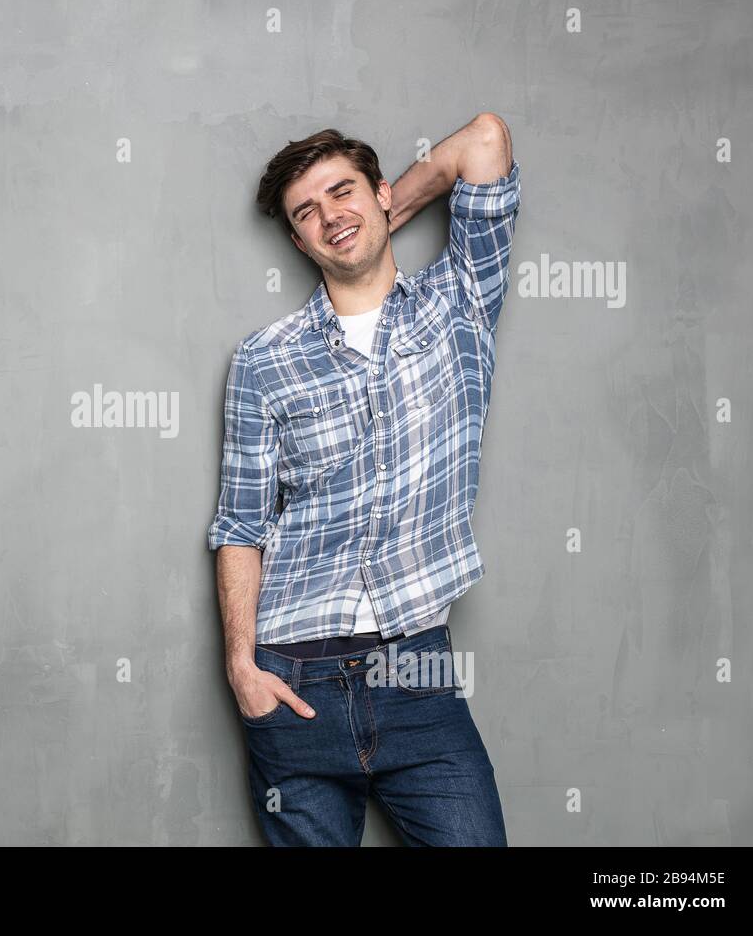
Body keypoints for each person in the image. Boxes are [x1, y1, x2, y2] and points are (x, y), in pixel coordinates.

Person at [207, 114, 520, 846]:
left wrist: (376, 216)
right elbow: (240, 527)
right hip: (292, 682)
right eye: (306, 213)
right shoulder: (263, 360)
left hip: (415, 678)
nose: (327, 217)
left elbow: (484, 140)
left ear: (382, 192)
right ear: (295, 241)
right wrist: (241, 671)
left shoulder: (460, 305)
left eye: (341, 192)